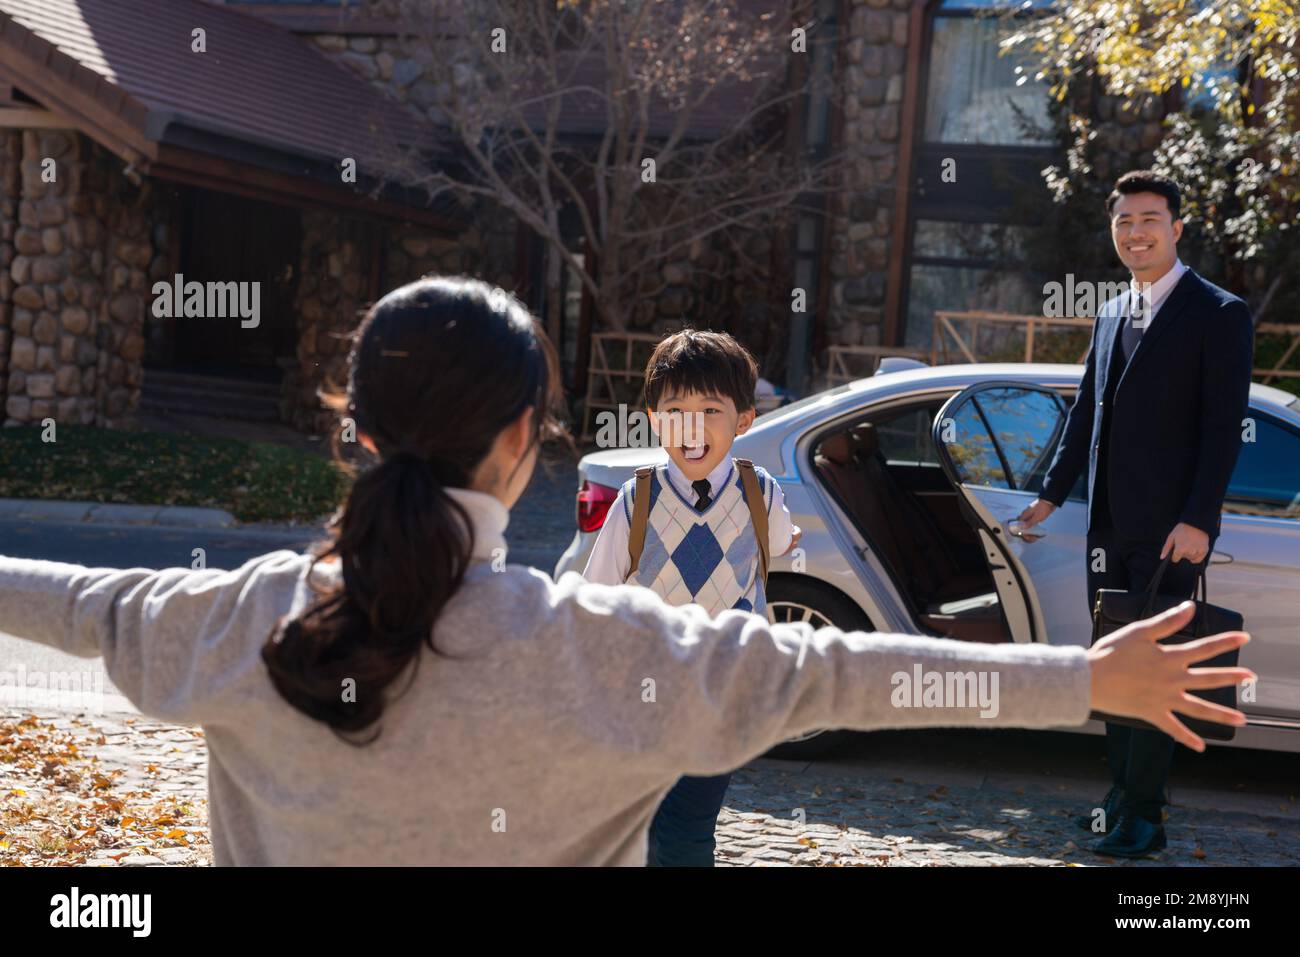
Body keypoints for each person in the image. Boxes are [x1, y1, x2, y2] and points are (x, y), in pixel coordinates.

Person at [0, 275, 1251, 866]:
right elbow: (860, 676)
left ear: (360, 434)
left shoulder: (232, 618)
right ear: (520, 443)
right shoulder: (618, 653)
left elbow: (47, 596)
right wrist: (1082, 681)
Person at [1017, 170, 1255, 859]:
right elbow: (1086, 412)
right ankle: (1119, 799)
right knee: (1114, 668)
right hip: (1109, 528)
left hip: (1172, 534)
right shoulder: (1113, 309)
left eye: (1149, 219)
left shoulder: (1218, 312)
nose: (1135, 231)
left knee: (1151, 672)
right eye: (1123, 221)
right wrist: (1051, 493)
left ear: (1177, 228)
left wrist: (1200, 519)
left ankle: (1146, 818)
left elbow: (1221, 428)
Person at [582, 329, 802, 866]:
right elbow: (594, 595)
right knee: (638, 829)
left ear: (743, 420)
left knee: (687, 832)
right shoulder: (637, 497)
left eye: (711, 409)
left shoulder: (762, 491)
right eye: (676, 409)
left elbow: (778, 546)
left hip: (717, 695)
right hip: (641, 698)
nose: (692, 426)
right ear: (655, 420)